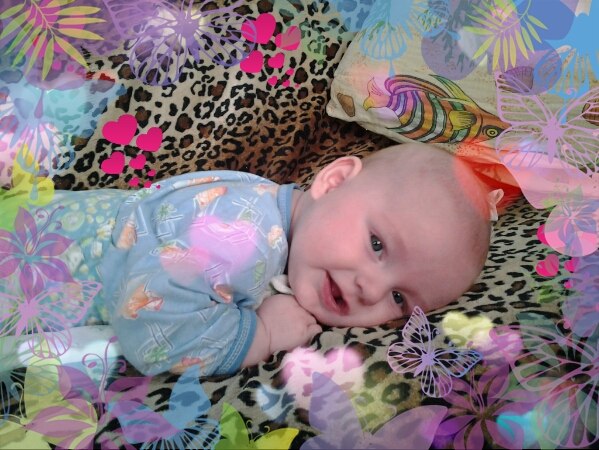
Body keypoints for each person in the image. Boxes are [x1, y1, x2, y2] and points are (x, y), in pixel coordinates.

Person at [1, 143, 502, 376]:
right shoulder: (245, 240)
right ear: (332, 181)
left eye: (399, 298)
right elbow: (150, 329)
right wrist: (259, 334)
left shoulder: (271, 208)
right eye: (377, 245)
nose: (370, 288)